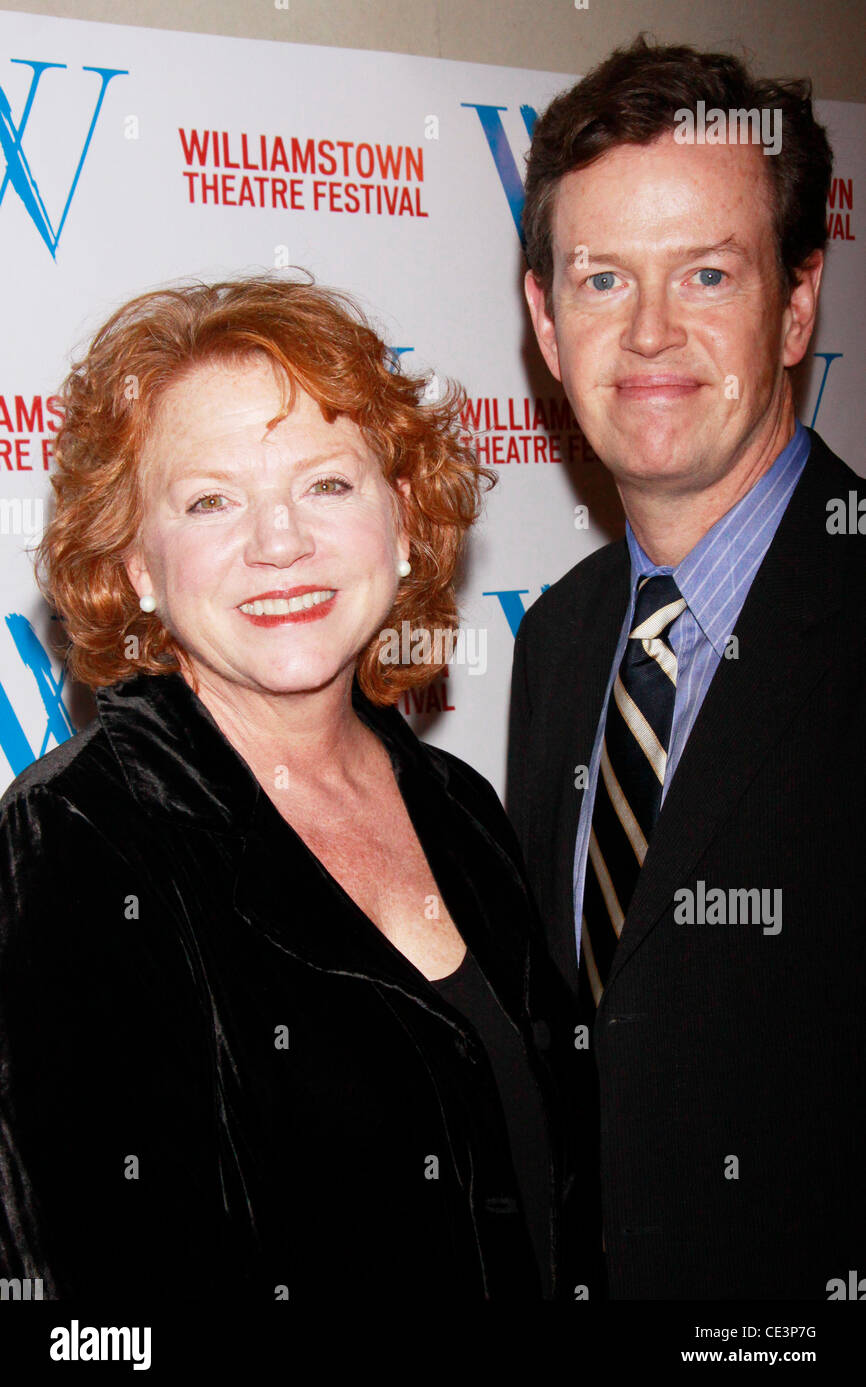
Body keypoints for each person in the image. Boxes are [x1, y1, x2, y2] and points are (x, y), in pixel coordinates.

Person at [0, 274, 582, 1301]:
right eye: (211, 500)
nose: (280, 543)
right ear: (137, 562)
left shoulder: (458, 807)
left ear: (401, 519)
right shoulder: (79, 840)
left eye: (325, 483)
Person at [507, 35, 866, 1299]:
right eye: (601, 280)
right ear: (545, 323)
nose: (649, 332)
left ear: (796, 304)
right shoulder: (555, 641)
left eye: (706, 272)